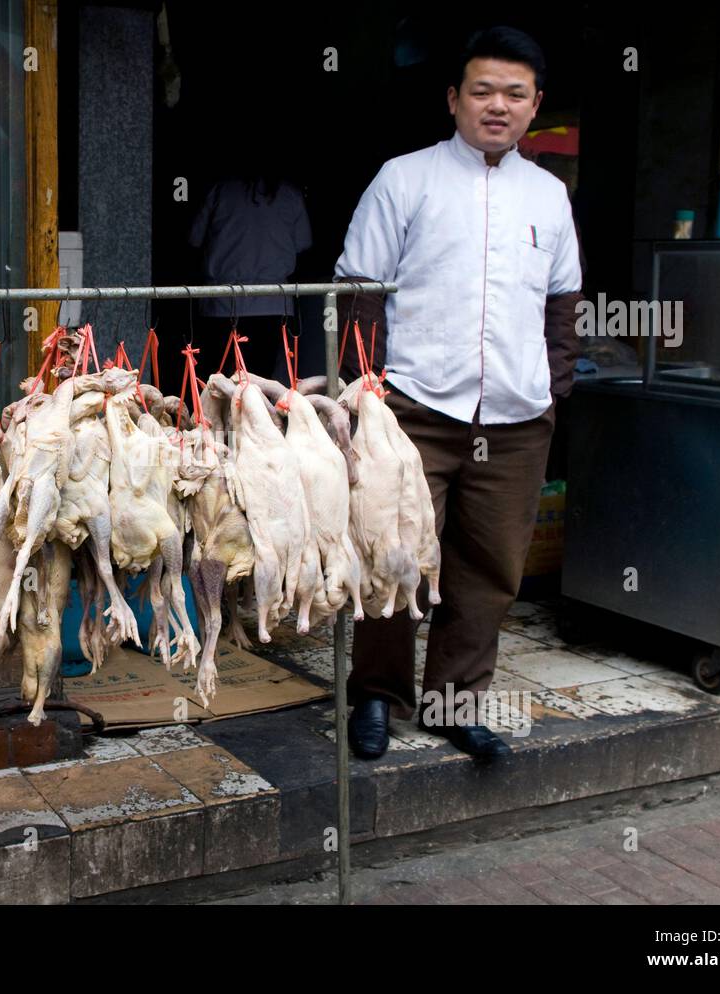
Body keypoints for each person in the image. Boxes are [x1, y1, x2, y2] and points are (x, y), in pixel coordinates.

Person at [334, 26, 584, 762]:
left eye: (515, 93)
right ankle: (377, 697)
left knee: (489, 569)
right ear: (453, 99)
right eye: (482, 91)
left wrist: (554, 388)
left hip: (515, 418)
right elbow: (358, 292)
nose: (497, 105)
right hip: (413, 407)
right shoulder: (404, 178)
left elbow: (564, 302)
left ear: (536, 105)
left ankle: (452, 703)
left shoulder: (550, 195)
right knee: (394, 558)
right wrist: (364, 395)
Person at [188, 143, 312, 379]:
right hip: (272, 303)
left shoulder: (219, 191)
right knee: (261, 383)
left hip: (220, 303)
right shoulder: (290, 195)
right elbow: (303, 245)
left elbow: (194, 240)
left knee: (217, 382)